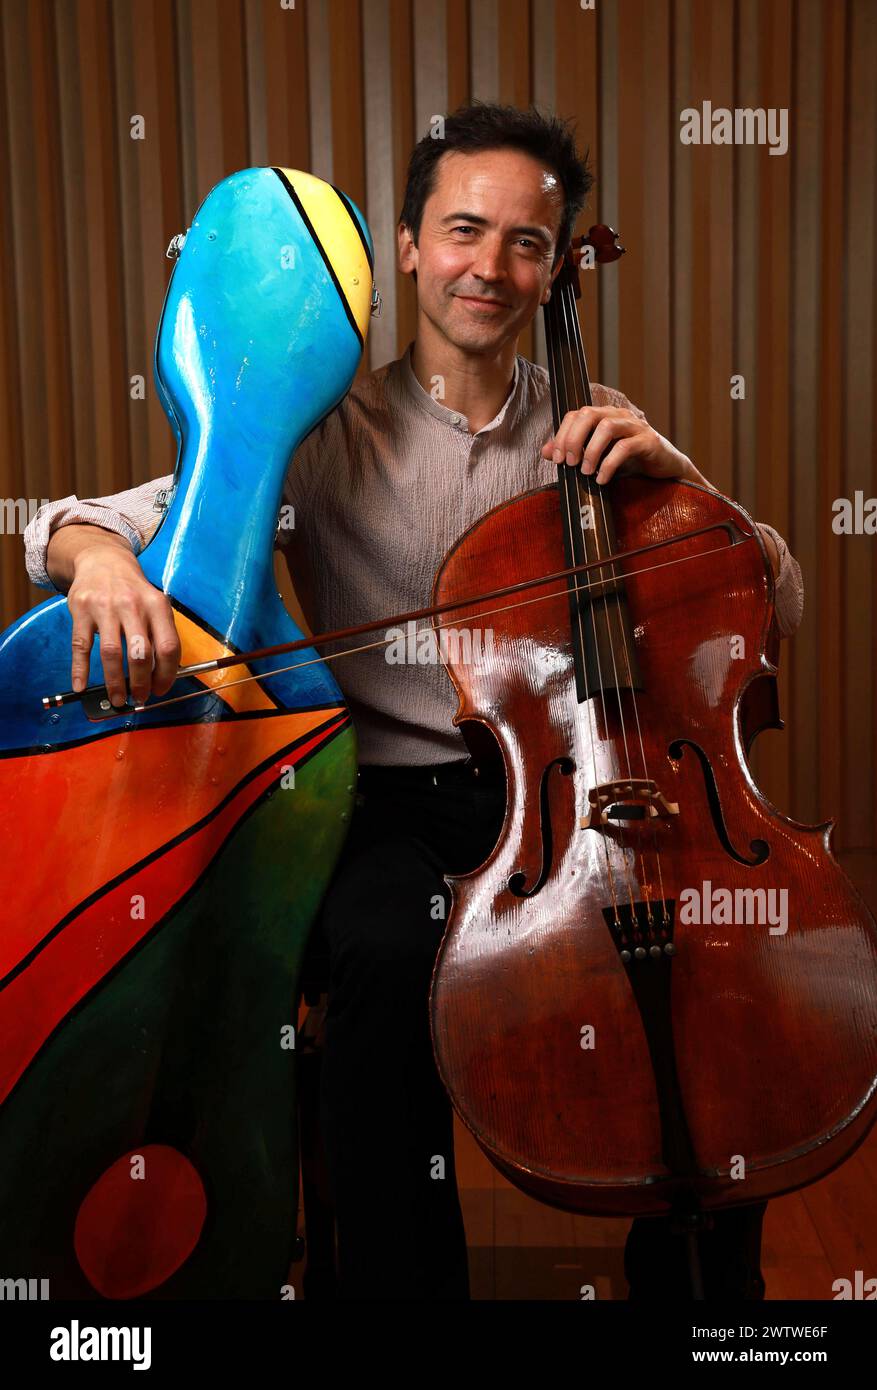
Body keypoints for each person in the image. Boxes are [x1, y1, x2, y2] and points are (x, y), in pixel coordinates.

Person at [24, 102, 802, 1301]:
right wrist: (100, 561)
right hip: (387, 803)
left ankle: (699, 1291)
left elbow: (773, 597)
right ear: (404, 246)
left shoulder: (596, 431)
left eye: (526, 242)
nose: (489, 267)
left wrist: (680, 478)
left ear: (553, 267)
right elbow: (83, 522)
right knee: (387, 956)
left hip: (580, 793)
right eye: (462, 231)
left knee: (711, 952)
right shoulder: (324, 432)